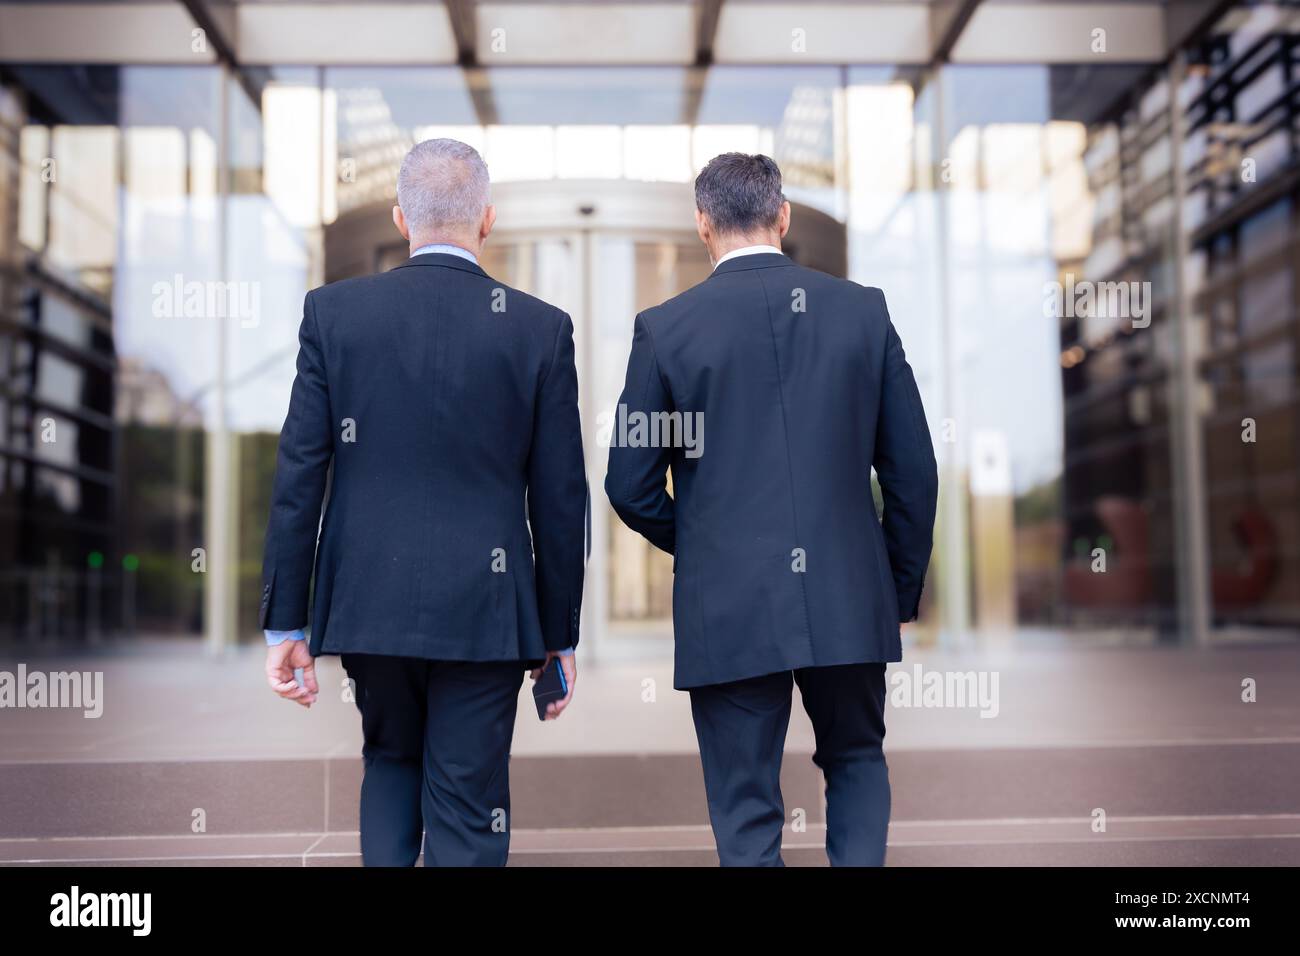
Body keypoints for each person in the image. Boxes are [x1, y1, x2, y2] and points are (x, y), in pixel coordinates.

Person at [260, 139, 586, 866]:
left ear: (400, 216)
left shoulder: (335, 315)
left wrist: (287, 619)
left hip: (370, 597)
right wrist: (559, 634)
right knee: (470, 802)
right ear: (488, 219)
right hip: (488, 607)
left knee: (391, 763)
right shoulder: (540, 328)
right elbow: (561, 499)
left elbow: (299, 474)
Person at [605, 152, 938, 866]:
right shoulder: (863, 312)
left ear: (702, 224)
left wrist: (706, 544)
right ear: (782, 216)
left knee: (744, 795)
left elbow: (629, 485)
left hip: (728, 602)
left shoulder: (667, 330)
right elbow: (912, 471)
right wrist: (898, 585)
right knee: (855, 759)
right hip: (849, 593)